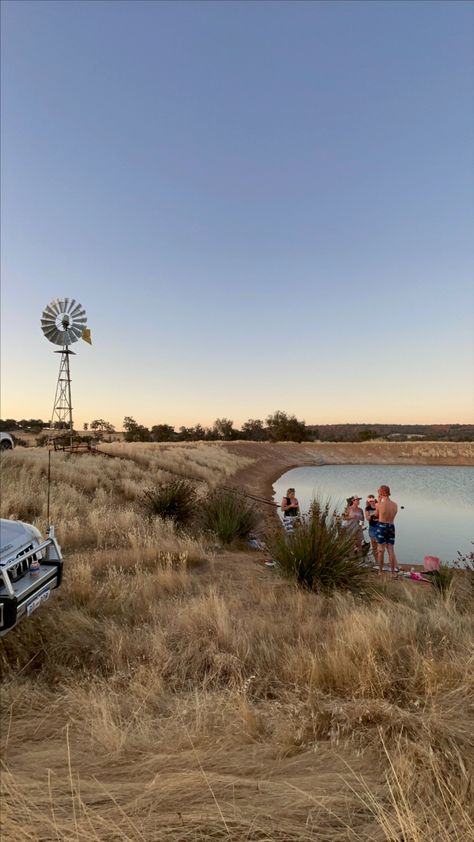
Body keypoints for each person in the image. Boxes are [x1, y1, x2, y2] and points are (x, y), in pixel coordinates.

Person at [374, 485, 398, 575]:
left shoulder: (379, 504)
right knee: (390, 549)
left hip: (381, 526)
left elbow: (376, 514)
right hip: (391, 526)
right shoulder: (395, 505)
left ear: (381, 493)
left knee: (381, 550)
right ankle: (392, 573)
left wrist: (379, 502)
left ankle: (380, 571)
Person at [365, 494, 382, 565]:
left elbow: (382, 517)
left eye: (373, 500)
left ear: (375, 500)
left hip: (379, 527)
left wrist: (374, 515)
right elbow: (367, 518)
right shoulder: (367, 508)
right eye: (370, 500)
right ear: (368, 501)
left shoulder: (379, 506)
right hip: (372, 527)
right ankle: (377, 562)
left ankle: (380, 562)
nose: (372, 501)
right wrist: (372, 515)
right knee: (374, 545)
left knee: (379, 545)